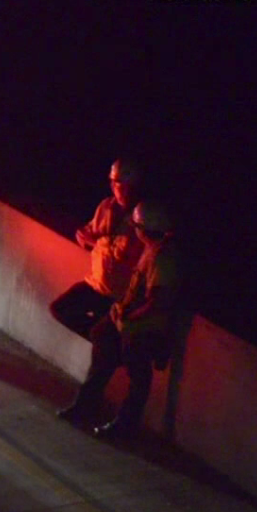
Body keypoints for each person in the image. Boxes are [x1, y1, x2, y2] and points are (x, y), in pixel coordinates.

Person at [57, 200, 184, 439]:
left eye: (136, 226)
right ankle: (86, 406)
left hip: (141, 330)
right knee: (102, 348)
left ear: (143, 228)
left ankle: (124, 425)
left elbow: (158, 301)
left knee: (138, 378)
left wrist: (129, 316)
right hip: (126, 323)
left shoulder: (162, 258)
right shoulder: (153, 249)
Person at [49, 159, 145, 339]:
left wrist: (98, 243)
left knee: (106, 340)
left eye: (129, 186)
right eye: (120, 185)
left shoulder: (141, 217)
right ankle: (101, 340)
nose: (124, 191)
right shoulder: (106, 207)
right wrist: (84, 236)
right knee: (60, 309)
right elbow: (89, 232)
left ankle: (105, 343)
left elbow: (127, 256)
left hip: (118, 297)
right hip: (96, 284)